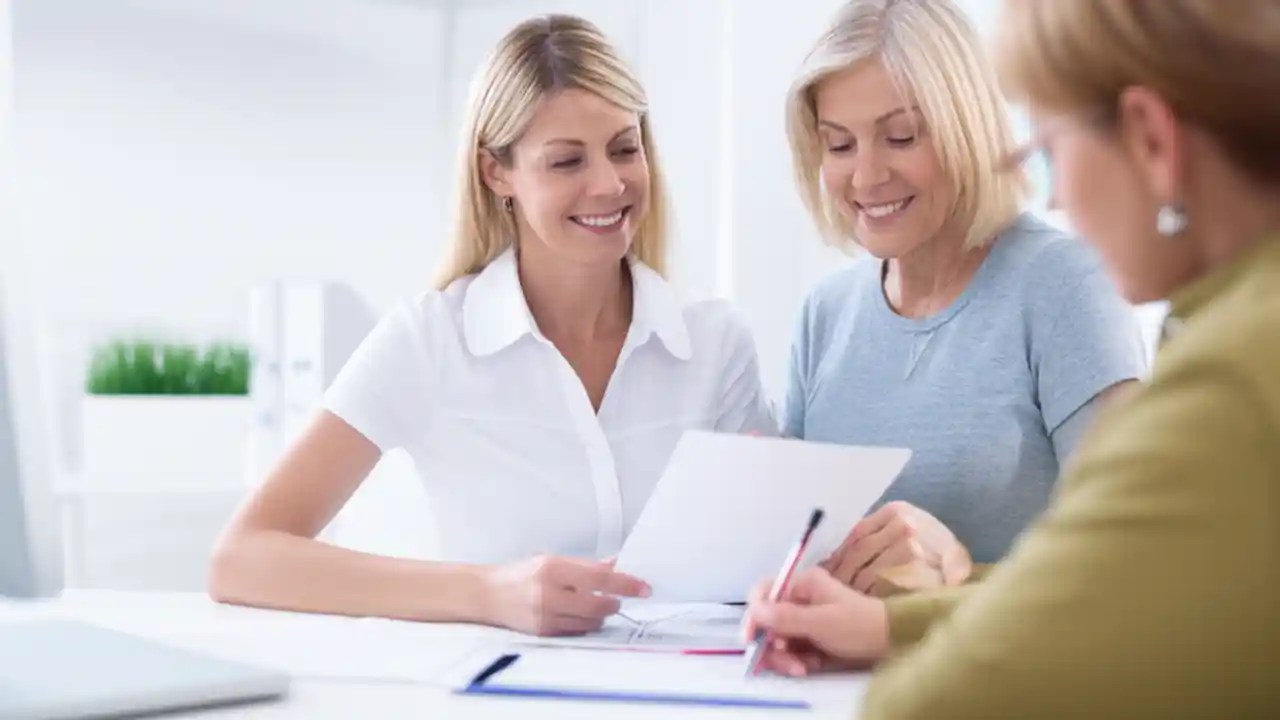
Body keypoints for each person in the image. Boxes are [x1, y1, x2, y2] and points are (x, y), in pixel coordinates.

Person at [747, 0, 1280, 716]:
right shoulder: (1223, 337)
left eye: (1050, 148)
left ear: (1152, 137)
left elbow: (1100, 595)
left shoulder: (1223, 378)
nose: (1053, 190)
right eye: (838, 144)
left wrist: (942, 583)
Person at [209, 14, 774, 637]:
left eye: (624, 148)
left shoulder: (717, 345)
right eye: (566, 162)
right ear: (496, 171)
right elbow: (243, 558)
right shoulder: (430, 340)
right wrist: (486, 591)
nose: (609, 184)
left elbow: (773, 561)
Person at [781, 0, 1145, 591]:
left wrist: (955, 571)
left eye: (900, 136)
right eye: (839, 145)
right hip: (831, 679)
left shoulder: (1065, 289)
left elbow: (1132, 565)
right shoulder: (823, 315)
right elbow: (798, 555)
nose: (867, 176)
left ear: (966, 128)